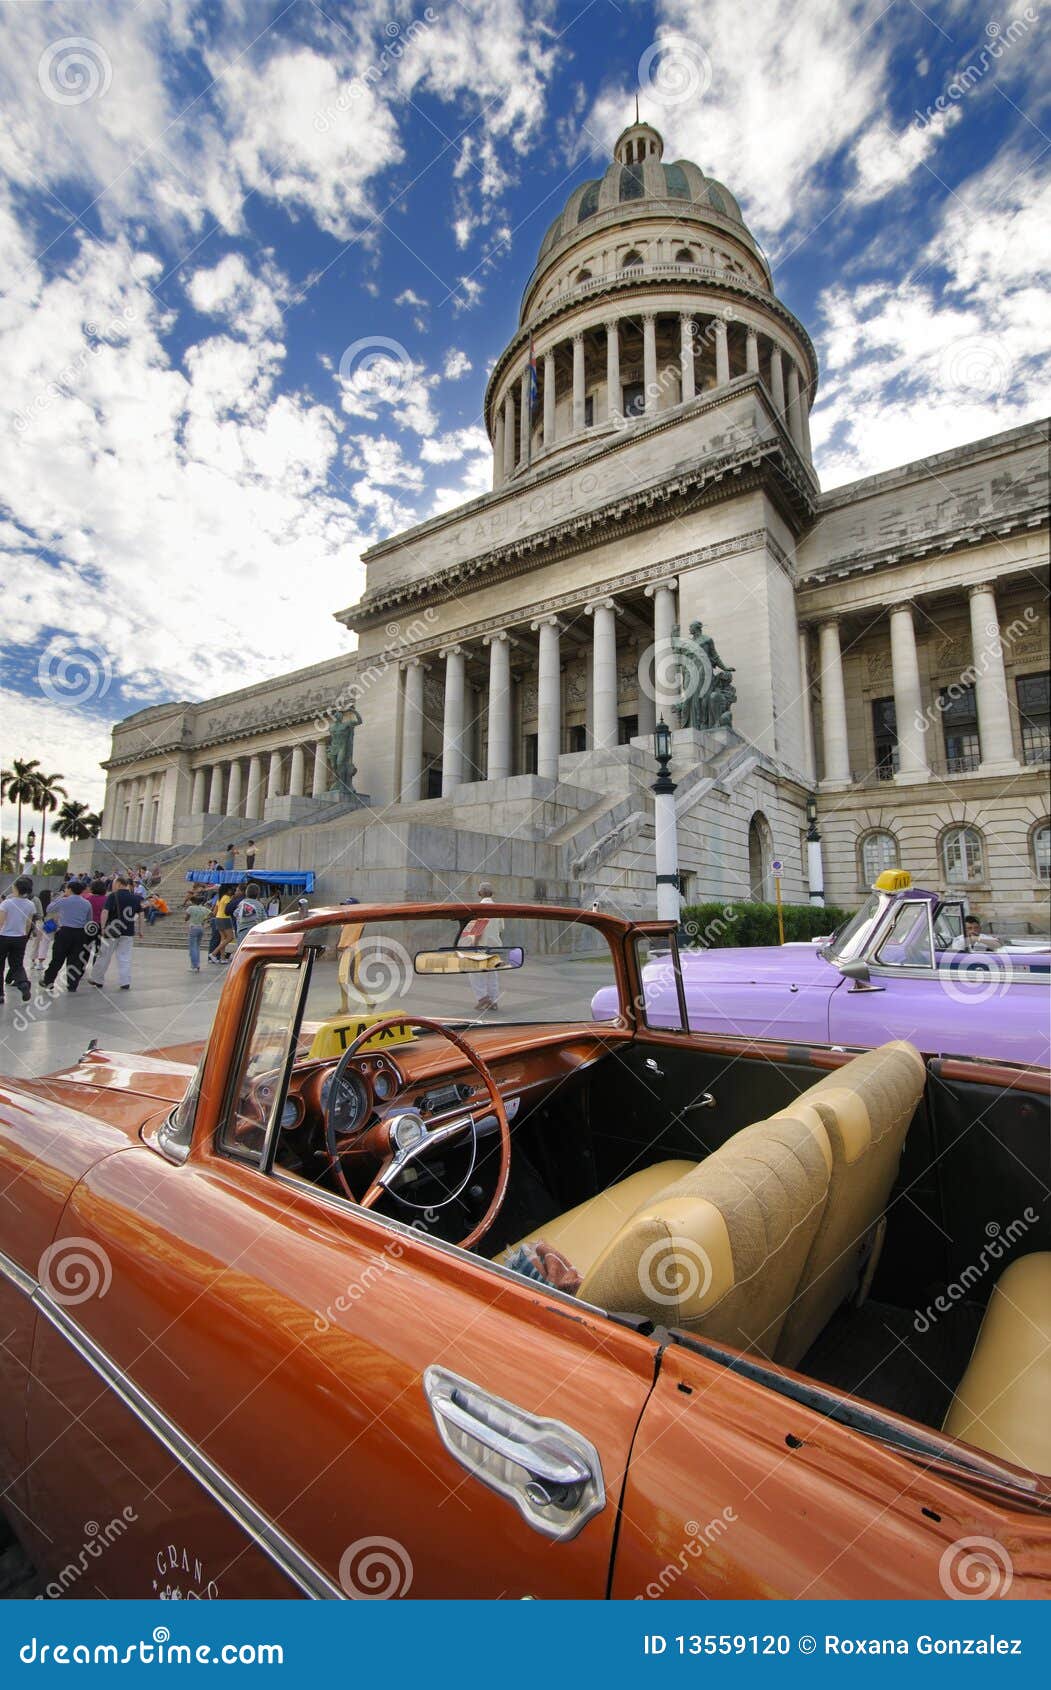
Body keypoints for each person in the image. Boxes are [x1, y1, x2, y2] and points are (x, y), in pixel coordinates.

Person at [89, 875, 144, 990]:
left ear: (119, 884)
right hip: (128, 932)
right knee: (125, 957)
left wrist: (103, 928)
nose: (112, 886)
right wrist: (140, 930)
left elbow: (105, 912)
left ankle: (97, 980)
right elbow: (141, 915)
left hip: (112, 931)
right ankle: (125, 982)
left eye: (113, 884)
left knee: (104, 956)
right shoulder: (136, 898)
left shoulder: (113, 896)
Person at [458, 882, 504, 1013]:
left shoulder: (480, 908)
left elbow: (479, 928)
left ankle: (483, 998)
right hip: (494, 946)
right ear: (492, 893)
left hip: (481, 945)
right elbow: (501, 929)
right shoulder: (499, 908)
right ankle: (494, 1000)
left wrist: (474, 943)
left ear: (479, 893)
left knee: (475, 972)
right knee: (492, 974)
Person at [42, 881, 93, 993]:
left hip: (64, 932)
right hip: (80, 933)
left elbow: (49, 909)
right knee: (75, 960)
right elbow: (89, 920)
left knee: (57, 959)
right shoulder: (87, 903)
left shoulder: (63, 901)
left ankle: (48, 981)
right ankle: (72, 984)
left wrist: (60, 896)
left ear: (69, 889)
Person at [0, 877, 35, 1004]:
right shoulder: (30, 904)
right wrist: (24, 936)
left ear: (16, 888)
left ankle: (0, 995)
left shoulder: (7, 903)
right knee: (17, 965)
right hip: (20, 938)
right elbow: (28, 923)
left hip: (3, 937)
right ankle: (23, 984)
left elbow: (1, 922)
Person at [232, 882, 268, 947]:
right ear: (258, 894)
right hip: (255, 931)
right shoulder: (260, 905)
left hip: (242, 931)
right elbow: (264, 920)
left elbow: (235, 914)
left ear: (246, 893)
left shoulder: (242, 903)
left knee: (242, 949)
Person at [184, 893, 210, 973]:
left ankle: (194, 966)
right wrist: (205, 919)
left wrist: (189, 917)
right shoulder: (204, 908)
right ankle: (197, 964)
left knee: (193, 947)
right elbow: (212, 914)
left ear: (193, 902)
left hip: (193, 927)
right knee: (197, 947)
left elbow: (186, 918)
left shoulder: (191, 908)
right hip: (201, 927)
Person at [209, 886, 236, 963]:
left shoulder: (220, 898)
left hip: (218, 918)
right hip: (225, 918)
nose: (231, 891)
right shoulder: (227, 898)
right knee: (230, 938)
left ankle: (222, 958)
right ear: (227, 890)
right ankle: (214, 953)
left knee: (223, 938)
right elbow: (229, 908)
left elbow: (215, 911)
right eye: (230, 889)